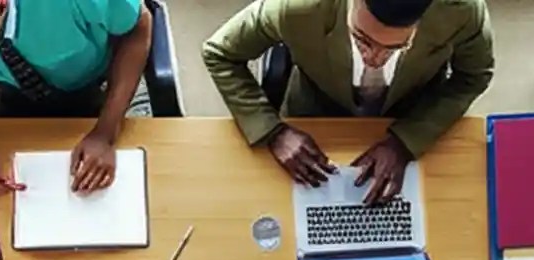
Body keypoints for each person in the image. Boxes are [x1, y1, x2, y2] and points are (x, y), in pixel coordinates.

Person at [203, 0, 494, 205]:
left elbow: (474, 76)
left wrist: (406, 141)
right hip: (315, 117)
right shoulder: (297, 6)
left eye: (396, 47)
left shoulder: (462, 11)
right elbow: (219, 53)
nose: (374, 59)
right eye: (362, 39)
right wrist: (272, 131)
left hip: (413, 113)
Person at [0, 0, 152, 199]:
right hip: (16, 94)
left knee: (140, 185)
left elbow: (139, 26)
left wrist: (106, 130)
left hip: (107, 82)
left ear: (0, 5)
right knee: (6, 202)